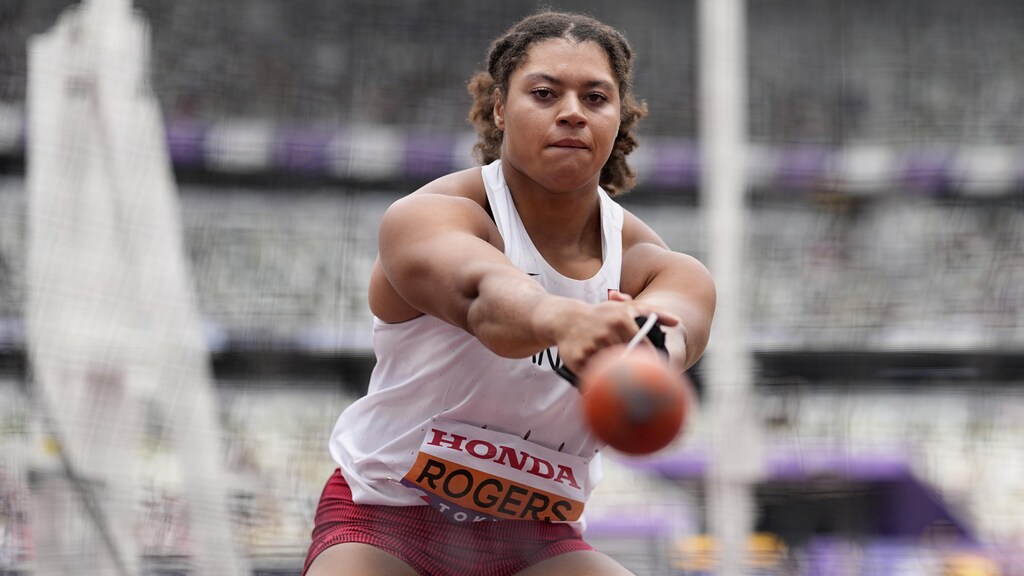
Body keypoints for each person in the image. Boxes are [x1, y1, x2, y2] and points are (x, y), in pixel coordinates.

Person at [304, 10, 716, 576]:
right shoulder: (431, 216)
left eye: (596, 98)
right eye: (545, 93)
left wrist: (641, 352)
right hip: (386, 520)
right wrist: (564, 321)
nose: (572, 112)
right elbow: (483, 297)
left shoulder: (657, 267)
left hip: (535, 540)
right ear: (499, 108)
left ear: (619, 118)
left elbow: (677, 329)